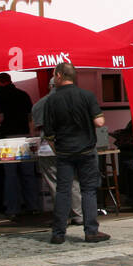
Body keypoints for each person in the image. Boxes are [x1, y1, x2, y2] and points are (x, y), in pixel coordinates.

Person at [41, 62, 110, 245]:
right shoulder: (87, 96)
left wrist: (57, 150)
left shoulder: (51, 101)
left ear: (59, 76)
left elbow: (48, 134)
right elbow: (100, 123)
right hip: (87, 150)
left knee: (63, 191)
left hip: (64, 152)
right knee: (88, 190)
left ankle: (58, 233)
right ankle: (91, 231)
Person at [0, 72, 40, 218]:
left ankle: (13, 210)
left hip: (9, 140)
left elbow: (0, 118)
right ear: (10, 80)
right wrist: (31, 134)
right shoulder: (23, 94)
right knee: (28, 174)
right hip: (24, 138)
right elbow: (30, 117)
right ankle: (33, 206)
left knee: (11, 175)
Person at [32, 91, 82, 225]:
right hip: (71, 146)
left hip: (48, 148)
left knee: (55, 184)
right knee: (73, 181)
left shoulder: (40, 104)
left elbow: (37, 128)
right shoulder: (77, 99)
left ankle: (62, 217)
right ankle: (79, 215)